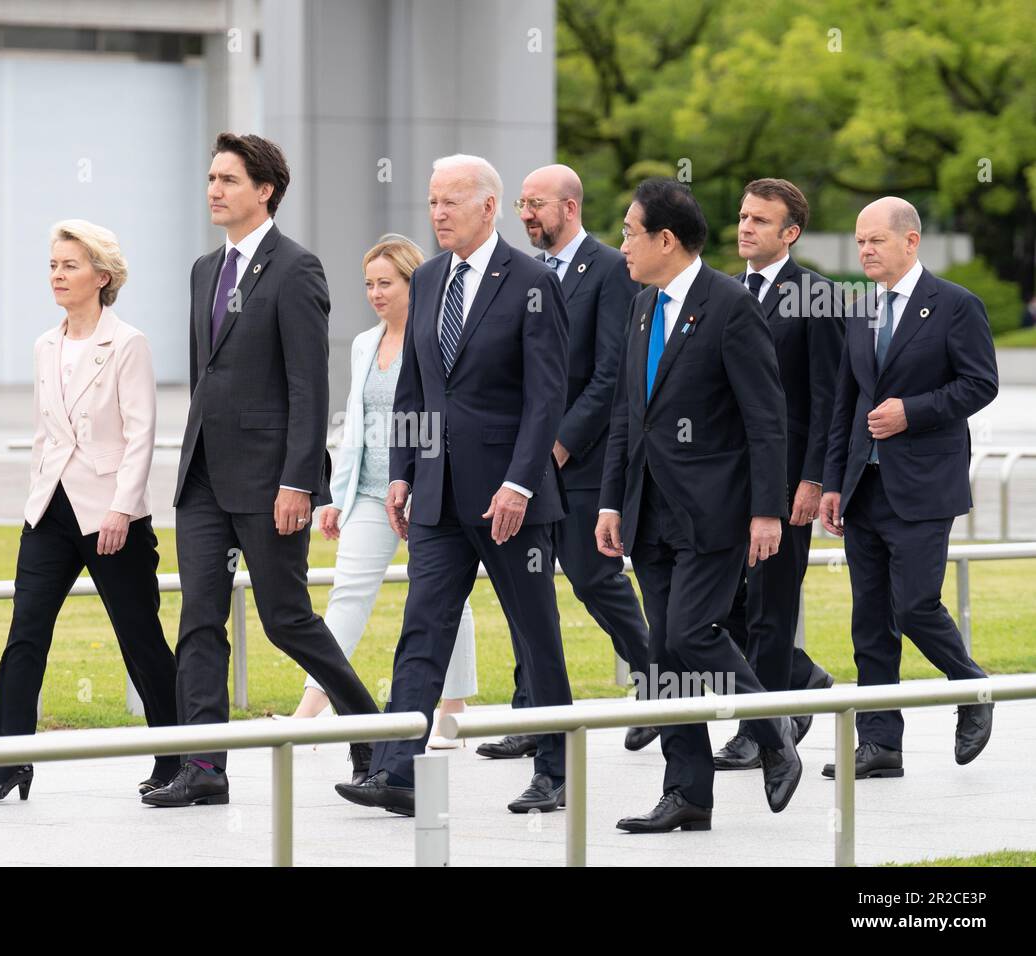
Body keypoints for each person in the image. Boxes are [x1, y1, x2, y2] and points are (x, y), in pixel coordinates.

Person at [335, 154, 574, 817]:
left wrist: (520, 485)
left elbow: (545, 396)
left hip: (510, 501)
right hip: (436, 494)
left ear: (488, 207)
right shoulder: (431, 277)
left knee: (536, 634)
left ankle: (555, 771)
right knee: (422, 629)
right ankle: (396, 772)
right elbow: (416, 385)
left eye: (450, 201)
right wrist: (404, 474)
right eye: (432, 201)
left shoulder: (530, 281)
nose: (437, 213)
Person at [146, 133, 379, 809]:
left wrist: (298, 482)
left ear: (265, 190)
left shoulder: (296, 269)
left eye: (228, 179)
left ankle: (377, 737)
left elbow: (310, 386)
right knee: (199, 619)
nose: (214, 190)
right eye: (211, 178)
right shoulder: (201, 270)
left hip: (270, 480)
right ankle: (204, 768)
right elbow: (205, 377)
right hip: (202, 483)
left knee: (286, 619)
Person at [597, 178, 801, 833]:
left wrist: (766, 510)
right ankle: (687, 792)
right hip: (647, 510)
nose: (621, 244)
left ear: (665, 239)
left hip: (714, 509)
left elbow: (766, 417)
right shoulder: (639, 305)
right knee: (661, 659)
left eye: (629, 232)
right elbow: (628, 416)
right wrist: (610, 504)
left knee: (689, 634)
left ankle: (772, 731)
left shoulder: (729, 305)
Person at [0, 220, 181, 802]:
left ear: (103, 275)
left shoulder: (129, 343)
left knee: (139, 637)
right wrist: (33, 500)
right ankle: (8, 760)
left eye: (69, 265)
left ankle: (177, 759)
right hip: (48, 513)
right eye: (53, 265)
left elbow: (142, 436)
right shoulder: (45, 344)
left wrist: (122, 509)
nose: (57, 275)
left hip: (111, 515)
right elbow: (47, 434)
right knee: (25, 635)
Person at [479, 163, 655, 762]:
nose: (524, 214)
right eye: (520, 204)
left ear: (570, 207)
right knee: (525, 591)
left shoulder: (609, 270)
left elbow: (613, 371)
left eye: (535, 204)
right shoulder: (520, 274)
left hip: (580, 463)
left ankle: (657, 683)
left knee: (593, 579)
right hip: (521, 464)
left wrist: (559, 443)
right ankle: (532, 715)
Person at [820, 197, 998, 779]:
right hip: (863, 488)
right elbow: (845, 404)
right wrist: (831, 483)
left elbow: (980, 384)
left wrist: (912, 412)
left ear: (911, 241)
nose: (865, 250)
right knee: (869, 620)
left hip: (923, 485)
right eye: (860, 241)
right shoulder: (859, 309)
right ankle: (879, 745)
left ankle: (972, 688)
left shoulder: (955, 306)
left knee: (915, 605)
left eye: (876, 240)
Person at [296, 235, 478, 748]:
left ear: (412, 281)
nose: (375, 293)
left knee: (446, 599)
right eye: (369, 283)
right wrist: (333, 496)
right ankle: (312, 706)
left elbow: (442, 418)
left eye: (386, 282)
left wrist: (426, 482)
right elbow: (354, 426)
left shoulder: (442, 337)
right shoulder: (363, 343)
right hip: (371, 494)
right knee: (347, 593)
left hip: (430, 492)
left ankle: (453, 710)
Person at [713, 179, 842, 772]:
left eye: (760, 221)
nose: (745, 228)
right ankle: (801, 676)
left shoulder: (816, 296)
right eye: (743, 217)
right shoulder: (721, 291)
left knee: (769, 602)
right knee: (720, 603)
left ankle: (758, 729)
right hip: (725, 480)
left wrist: (814, 478)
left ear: (790, 232)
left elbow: (827, 398)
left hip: (788, 480)